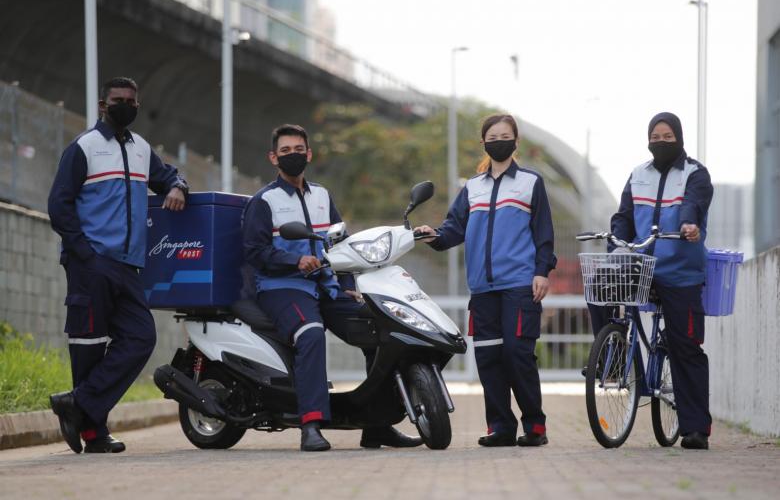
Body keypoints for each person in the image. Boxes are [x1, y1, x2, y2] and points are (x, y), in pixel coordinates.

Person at [242, 123, 422, 451]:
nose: (293, 155)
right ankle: (311, 424)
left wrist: (348, 284)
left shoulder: (323, 196)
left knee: (380, 328)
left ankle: (377, 425)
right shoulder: (263, 201)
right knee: (310, 334)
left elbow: (340, 244)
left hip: (326, 286)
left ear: (309, 154)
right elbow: (254, 252)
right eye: (285, 151)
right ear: (273, 157)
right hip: (283, 288)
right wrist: (294, 262)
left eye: (299, 150)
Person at [47, 77, 188, 454]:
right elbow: (59, 204)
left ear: (137, 106)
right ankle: (94, 433)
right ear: (102, 105)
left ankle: (76, 404)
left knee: (141, 337)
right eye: (117, 100)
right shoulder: (84, 148)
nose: (124, 105)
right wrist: (83, 252)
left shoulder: (141, 149)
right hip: (91, 262)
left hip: (128, 266)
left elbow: (168, 176)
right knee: (88, 345)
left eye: (131, 100)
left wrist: (179, 186)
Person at [416, 114, 556, 448]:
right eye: (493, 137)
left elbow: (544, 233)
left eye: (505, 136)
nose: (499, 141)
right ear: (484, 143)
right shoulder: (473, 188)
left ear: (515, 142)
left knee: (517, 355)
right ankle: (500, 427)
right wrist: (434, 235)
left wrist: (542, 271)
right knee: (489, 359)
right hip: (482, 289)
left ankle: (535, 426)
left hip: (520, 285)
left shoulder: (530, 182)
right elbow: (454, 228)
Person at [587, 111, 713, 450]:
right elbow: (624, 216)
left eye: (667, 137)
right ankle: (610, 359)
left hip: (680, 270)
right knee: (598, 287)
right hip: (640, 264)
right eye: (655, 137)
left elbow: (694, 205)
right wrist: (617, 240)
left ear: (679, 138)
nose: (660, 142)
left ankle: (695, 427)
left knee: (685, 347)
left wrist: (689, 225)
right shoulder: (638, 174)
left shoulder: (696, 174)